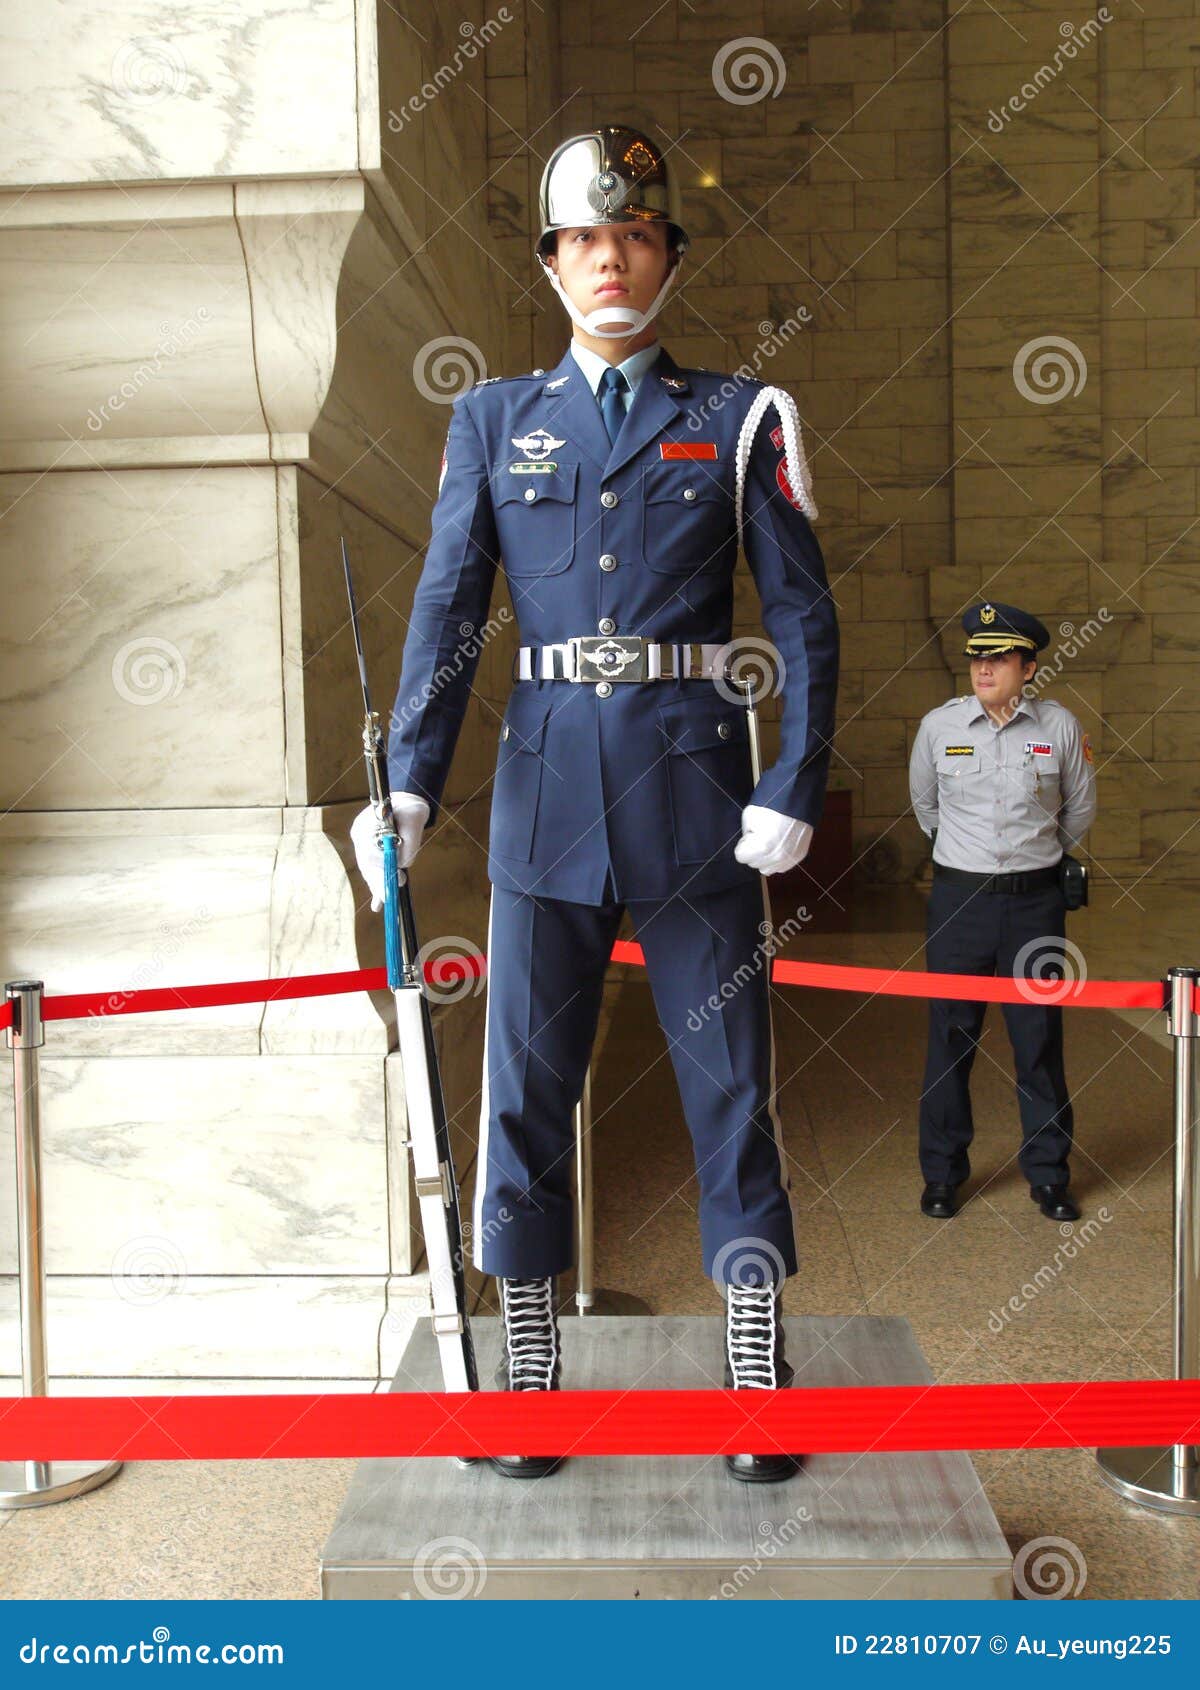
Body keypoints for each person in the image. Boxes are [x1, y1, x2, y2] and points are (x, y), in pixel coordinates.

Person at [352, 126, 839, 1482]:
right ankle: (531, 1358)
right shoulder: (493, 421)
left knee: (731, 1089)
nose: (609, 259)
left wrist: (795, 775)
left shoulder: (738, 417)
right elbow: (450, 614)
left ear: (669, 258)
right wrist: (409, 783)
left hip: (699, 797)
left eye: (635, 236)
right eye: (584, 239)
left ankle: (754, 1349)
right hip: (547, 791)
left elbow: (803, 619)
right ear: (552, 263)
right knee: (524, 1091)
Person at [908, 602, 1096, 1224]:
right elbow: (925, 807)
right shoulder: (940, 727)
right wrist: (967, 862)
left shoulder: (1060, 727)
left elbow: (1078, 810)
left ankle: (1049, 1176)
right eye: (976, 657)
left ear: (1029, 667)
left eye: (998, 657)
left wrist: (1036, 860)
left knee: (1037, 1042)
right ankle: (942, 1176)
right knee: (949, 1040)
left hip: (1034, 905)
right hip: (959, 902)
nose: (983, 668)